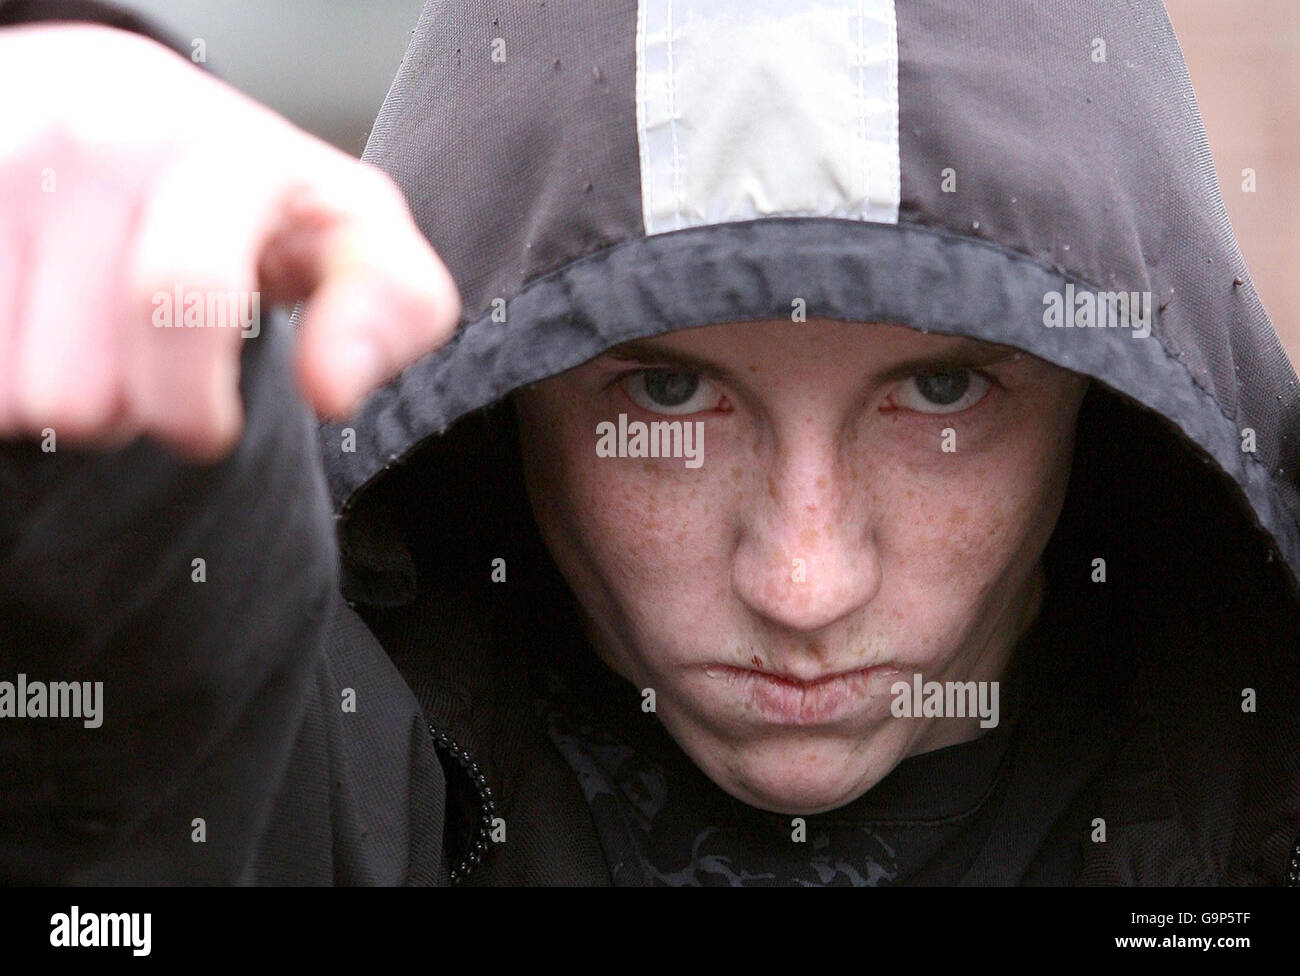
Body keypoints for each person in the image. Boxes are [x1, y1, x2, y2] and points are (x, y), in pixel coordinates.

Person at [1, 0, 1297, 886]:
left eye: (943, 389)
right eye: (670, 396)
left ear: (1111, 389)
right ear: (499, 392)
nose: (804, 584)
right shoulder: (305, 744)